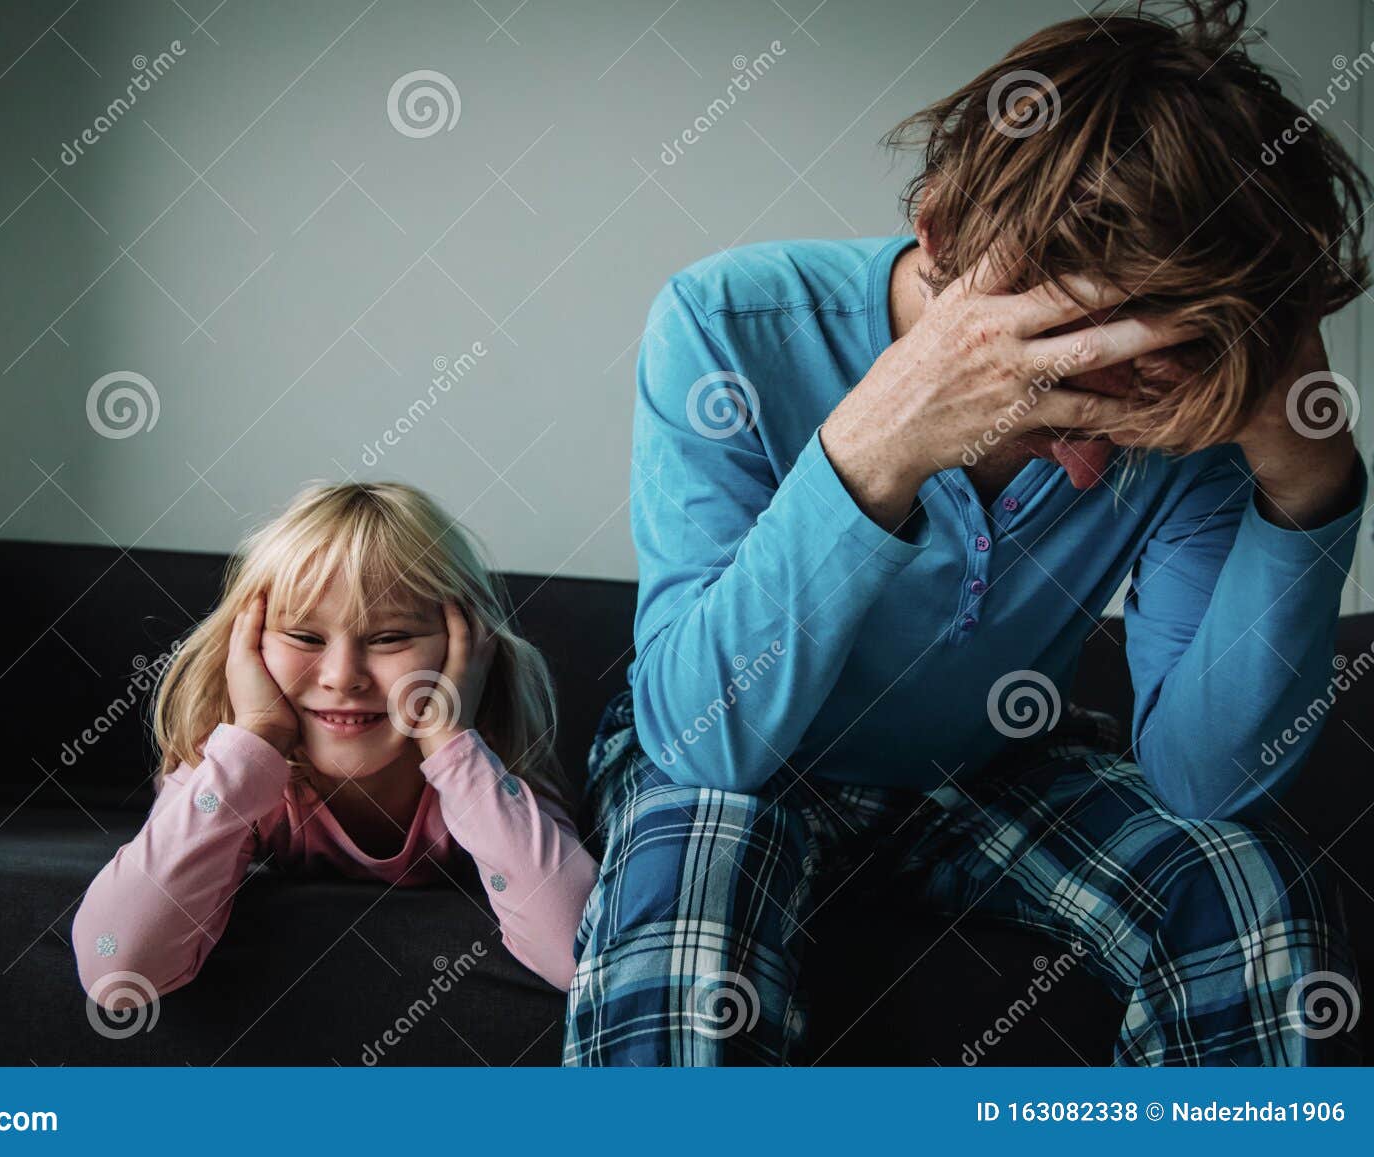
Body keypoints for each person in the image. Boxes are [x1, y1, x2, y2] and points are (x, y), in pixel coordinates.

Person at [564, 0, 1369, 1065]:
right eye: (1068, 366)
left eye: (1155, 375)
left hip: (988, 758)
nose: (1101, 439)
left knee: (1239, 881)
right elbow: (703, 737)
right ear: (943, 240)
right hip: (743, 748)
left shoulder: (1196, 407)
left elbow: (1204, 784)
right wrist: (875, 448)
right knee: (694, 860)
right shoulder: (725, 320)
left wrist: (1306, 477)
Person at [72, 481, 598, 1010]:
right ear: (247, 647)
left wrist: (451, 744)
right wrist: (254, 738)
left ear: (471, 647)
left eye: (390, 637)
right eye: (304, 637)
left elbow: (584, 959)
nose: (342, 678)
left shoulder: (494, 775)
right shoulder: (230, 769)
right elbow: (116, 968)